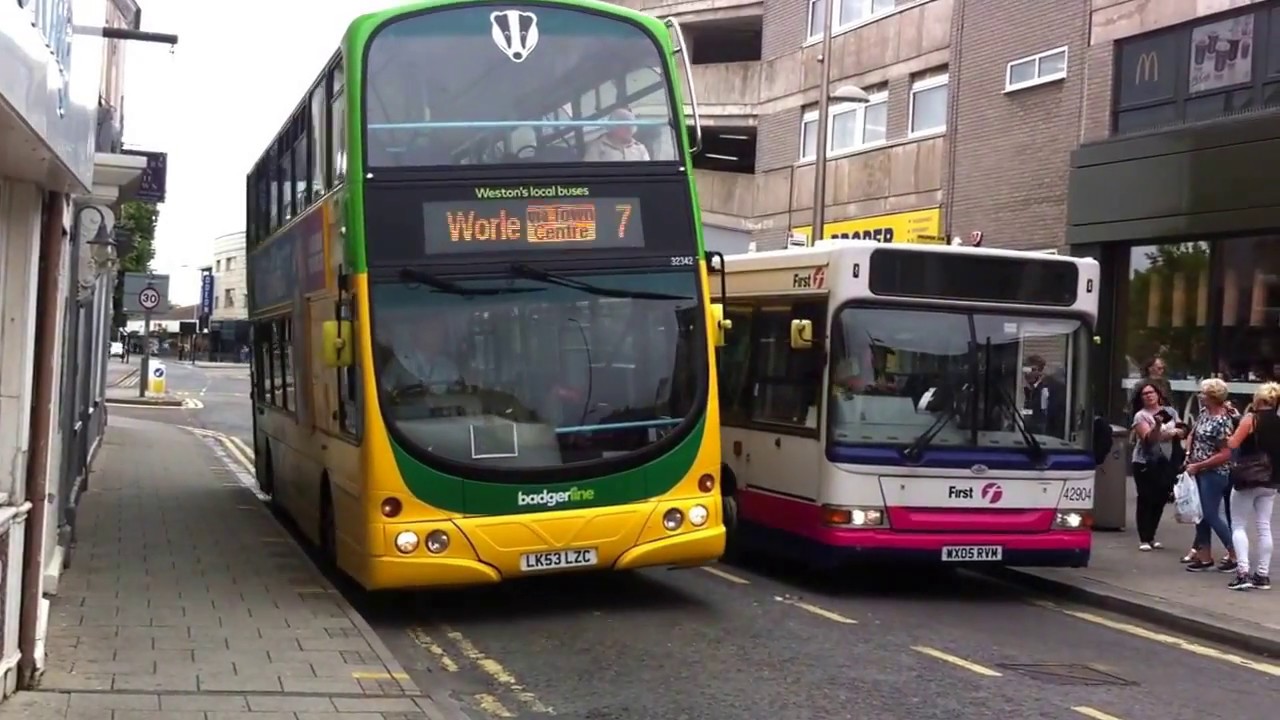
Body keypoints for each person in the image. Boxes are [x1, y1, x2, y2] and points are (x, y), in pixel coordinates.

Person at [1224, 382, 1279, 590]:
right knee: (1264, 527)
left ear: (1259, 399)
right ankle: (1262, 575)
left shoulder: (1251, 419)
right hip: (1271, 480)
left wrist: (1229, 435)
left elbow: (1233, 444)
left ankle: (1243, 572)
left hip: (1248, 478)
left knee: (1238, 525)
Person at [1183, 378, 1238, 572]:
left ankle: (1234, 553)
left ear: (1213, 397)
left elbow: (1226, 453)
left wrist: (1200, 465)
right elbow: (1193, 434)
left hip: (1213, 473)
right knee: (1200, 514)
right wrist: (1189, 455)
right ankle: (1204, 556)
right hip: (1196, 469)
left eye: (1203, 393)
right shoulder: (1204, 413)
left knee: (1210, 513)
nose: (1200, 396)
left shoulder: (1222, 421)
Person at [1131, 382, 1184, 551]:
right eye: (1144, 394)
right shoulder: (1141, 416)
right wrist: (1159, 426)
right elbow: (1148, 439)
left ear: (1158, 394)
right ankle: (1144, 538)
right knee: (1145, 498)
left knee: (1160, 499)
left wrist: (1178, 432)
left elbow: (1182, 429)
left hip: (1166, 462)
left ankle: (1152, 536)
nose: (1148, 396)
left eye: (1151, 392)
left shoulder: (1170, 412)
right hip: (1145, 462)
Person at [583, 108, 651, 162]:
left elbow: (648, 173)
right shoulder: (597, 147)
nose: (629, 129)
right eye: (625, 126)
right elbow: (589, 173)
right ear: (614, 127)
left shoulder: (639, 149)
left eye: (631, 126)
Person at [1023, 355, 1065, 437]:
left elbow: (1044, 415)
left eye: (1030, 370)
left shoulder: (1046, 389)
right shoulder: (1032, 390)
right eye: (1024, 371)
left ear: (1039, 371)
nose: (1026, 374)